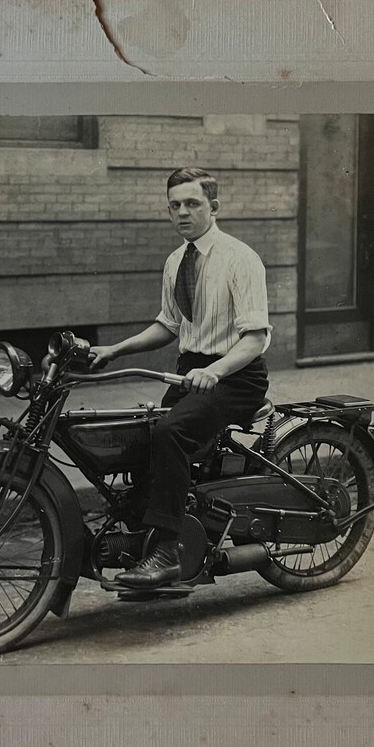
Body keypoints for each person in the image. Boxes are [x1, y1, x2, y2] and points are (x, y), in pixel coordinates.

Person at [88, 167, 271, 588]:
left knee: (169, 433)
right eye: (175, 206)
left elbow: (255, 338)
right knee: (146, 434)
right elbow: (168, 326)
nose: (182, 213)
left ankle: (167, 552)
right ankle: (147, 533)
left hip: (236, 376)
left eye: (192, 204)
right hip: (192, 373)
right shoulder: (176, 261)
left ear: (214, 207)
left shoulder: (240, 258)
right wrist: (116, 350)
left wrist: (215, 370)